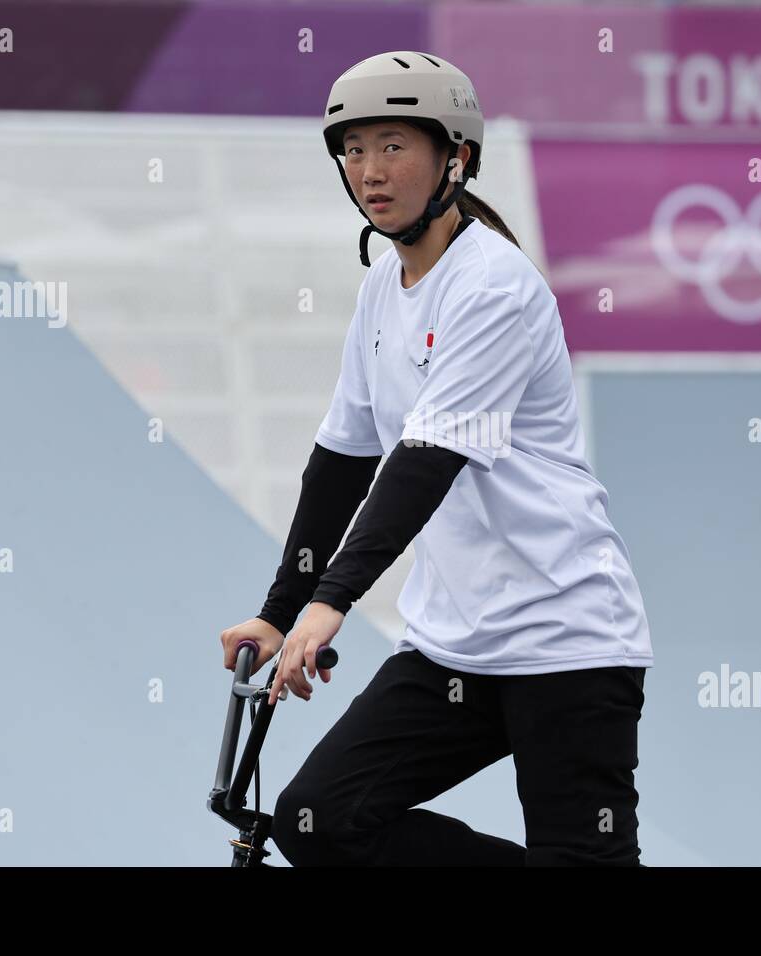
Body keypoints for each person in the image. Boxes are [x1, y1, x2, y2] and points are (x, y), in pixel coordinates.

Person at [219, 51, 654, 866]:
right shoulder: (382, 289)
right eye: (353, 149)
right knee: (319, 819)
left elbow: (425, 460)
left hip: (567, 639)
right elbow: (342, 462)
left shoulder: (494, 287)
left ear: (455, 158)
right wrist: (282, 610)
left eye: (393, 146)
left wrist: (334, 602)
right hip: (458, 647)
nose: (369, 171)